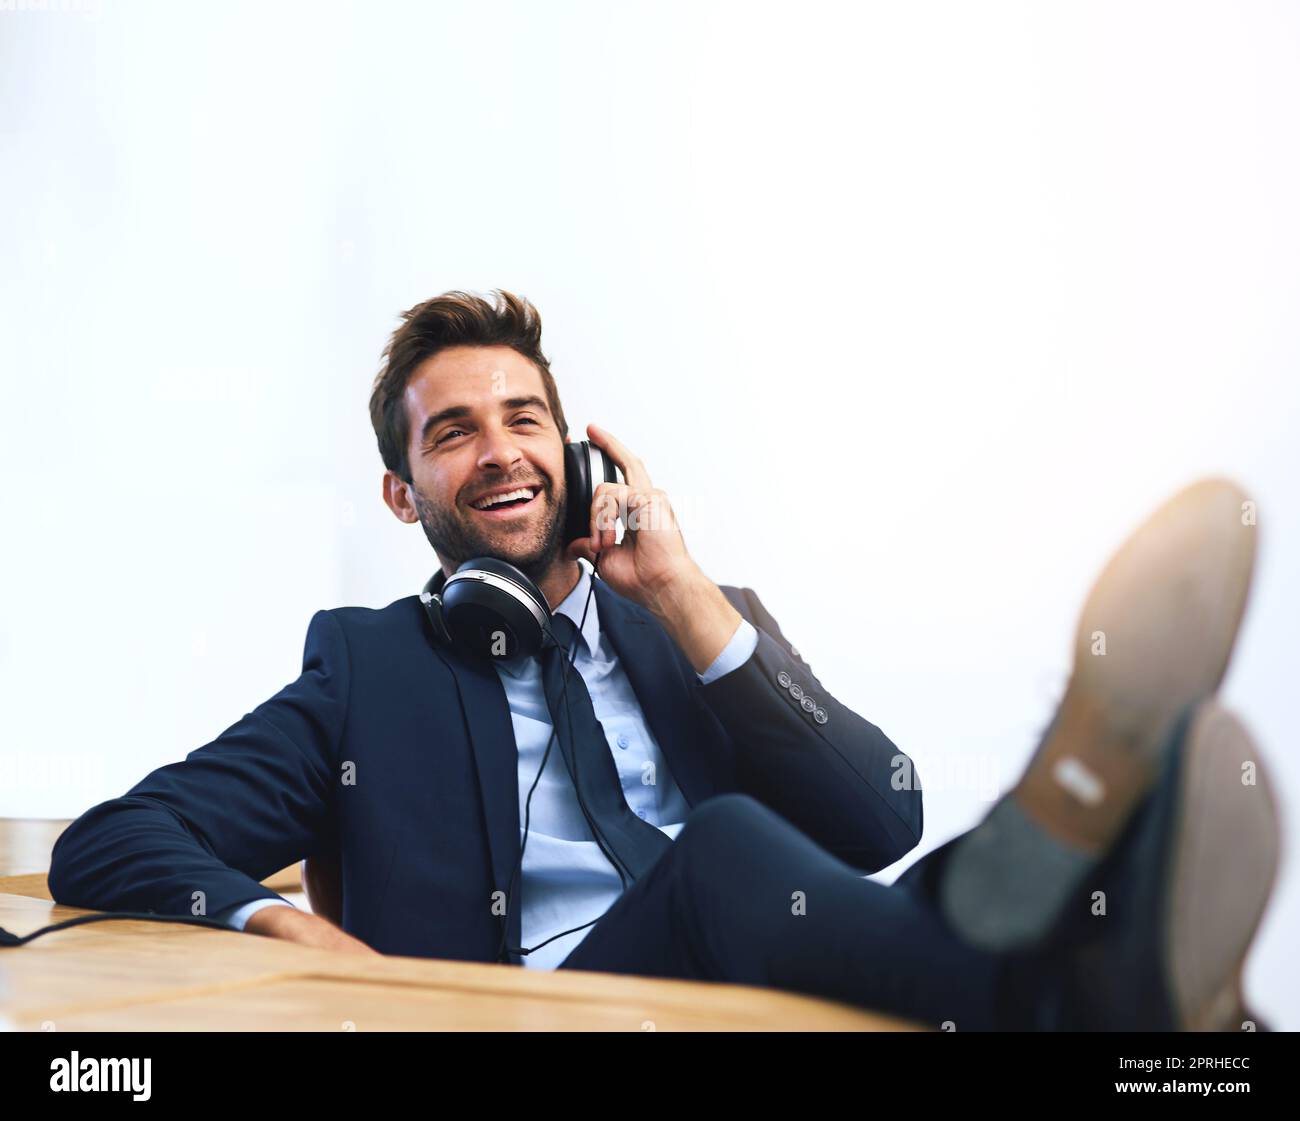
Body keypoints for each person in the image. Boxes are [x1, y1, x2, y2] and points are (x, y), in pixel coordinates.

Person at [48, 290, 1280, 1031]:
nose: (498, 450)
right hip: (537, 1014)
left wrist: (686, 597)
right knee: (729, 845)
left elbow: (876, 813)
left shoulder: (700, 620)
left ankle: (1106, 948)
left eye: (524, 418)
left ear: (579, 454)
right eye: (453, 433)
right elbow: (107, 841)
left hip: (758, 972)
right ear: (399, 490)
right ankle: (1063, 946)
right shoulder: (369, 669)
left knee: (950, 870)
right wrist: (289, 928)